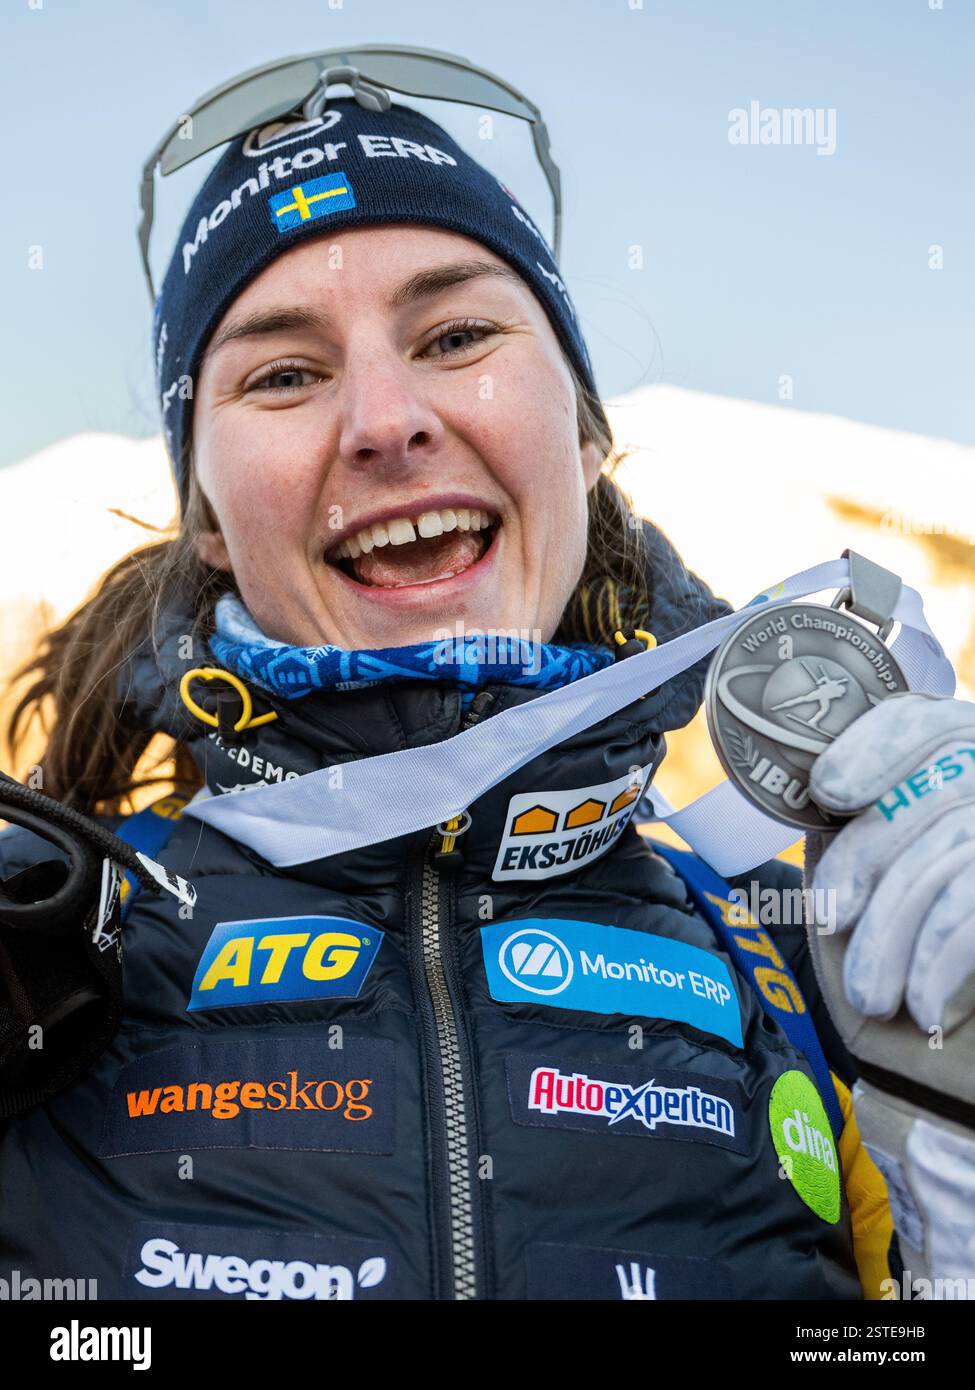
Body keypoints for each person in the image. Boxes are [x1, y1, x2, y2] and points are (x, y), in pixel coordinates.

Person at [0, 64, 972, 1303]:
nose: (386, 419)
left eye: (457, 335)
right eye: (283, 374)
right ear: (207, 516)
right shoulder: (42, 950)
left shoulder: (830, 964)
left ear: (581, 432)